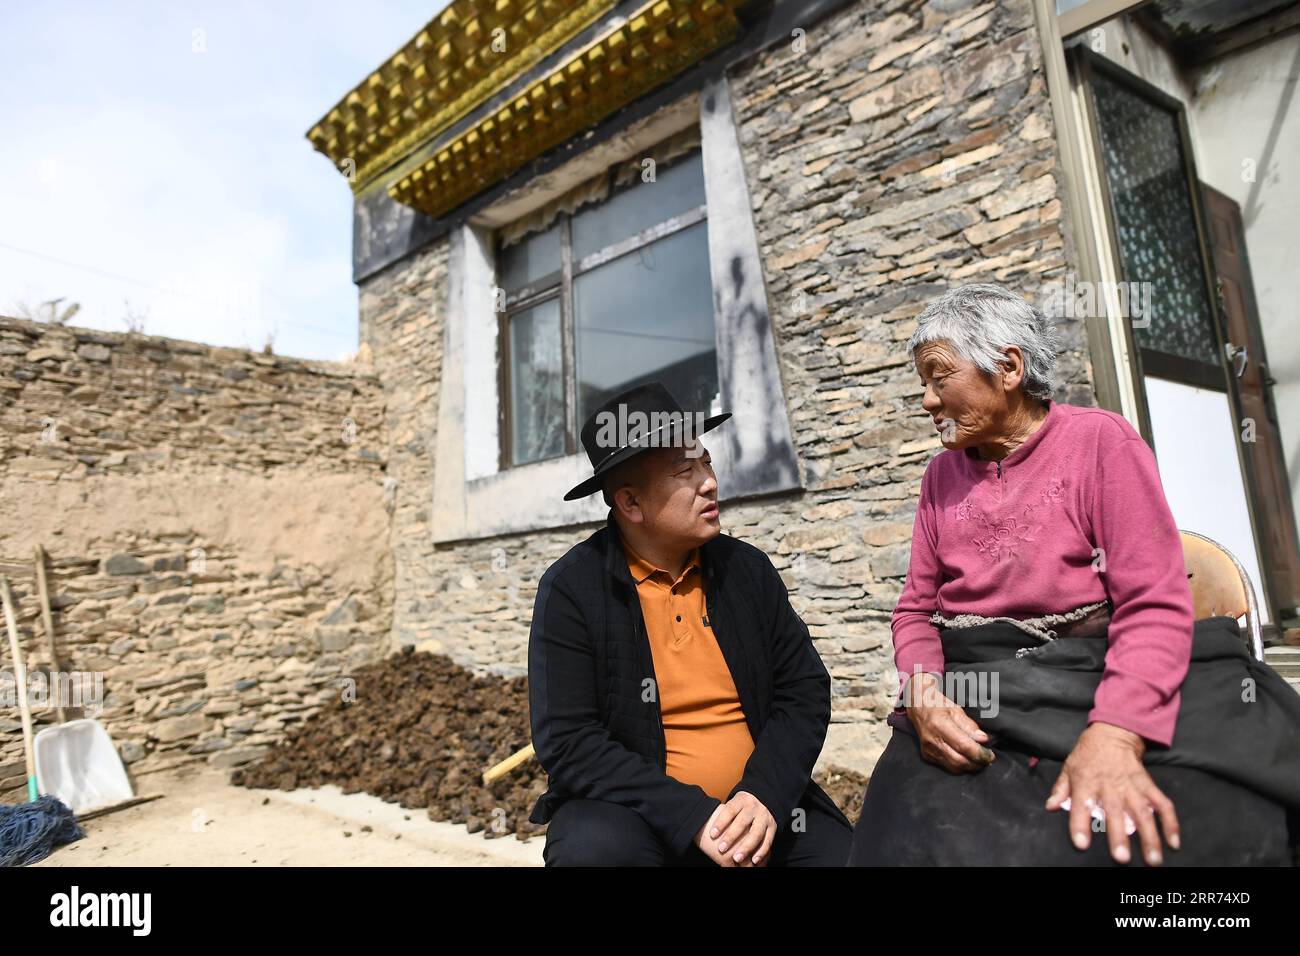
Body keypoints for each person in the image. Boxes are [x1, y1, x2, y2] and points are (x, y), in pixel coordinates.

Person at [848, 283, 1300, 866]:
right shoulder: (941, 477)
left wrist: (1115, 733)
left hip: (1090, 672)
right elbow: (916, 610)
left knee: (1202, 817)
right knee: (912, 832)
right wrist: (923, 695)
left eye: (940, 378)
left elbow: (1153, 603)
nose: (929, 401)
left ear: (1007, 367)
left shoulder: (1099, 442)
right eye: (924, 385)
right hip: (982, 687)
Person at [528, 381, 852, 866]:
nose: (709, 482)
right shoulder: (573, 590)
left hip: (758, 810)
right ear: (630, 504)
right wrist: (692, 816)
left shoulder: (746, 570)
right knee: (592, 851)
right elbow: (570, 743)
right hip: (641, 818)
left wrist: (763, 794)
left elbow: (803, 691)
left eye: (706, 462)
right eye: (685, 471)